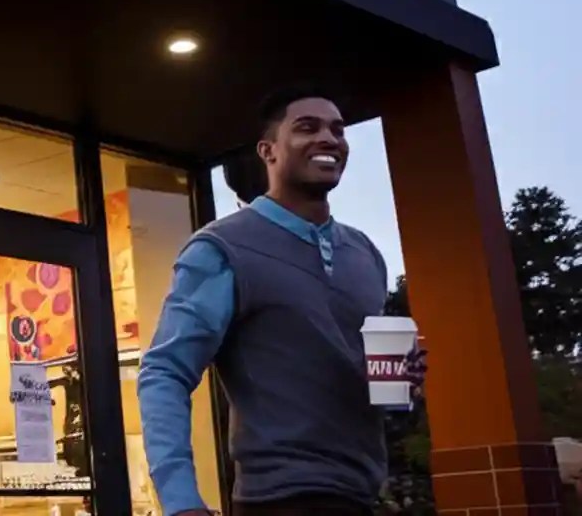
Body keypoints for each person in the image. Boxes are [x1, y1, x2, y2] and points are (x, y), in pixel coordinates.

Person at [137, 86, 425, 516]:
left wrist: (399, 383)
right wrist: (181, 502)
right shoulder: (223, 248)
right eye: (307, 128)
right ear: (268, 151)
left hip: (361, 494)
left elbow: (368, 387)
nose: (328, 139)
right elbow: (164, 372)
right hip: (280, 498)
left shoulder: (364, 254)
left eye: (337, 130)